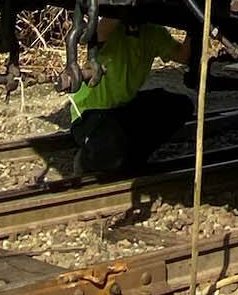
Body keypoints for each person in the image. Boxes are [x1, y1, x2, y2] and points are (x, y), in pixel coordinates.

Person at [68, 16, 195, 176]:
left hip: (124, 108)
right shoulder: (110, 29)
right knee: (111, 146)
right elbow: (101, 30)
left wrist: (194, 26)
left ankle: (133, 159)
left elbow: (183, 56)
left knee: (180, 106)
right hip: (90, 112)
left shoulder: (153, 32)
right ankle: (84, 161)